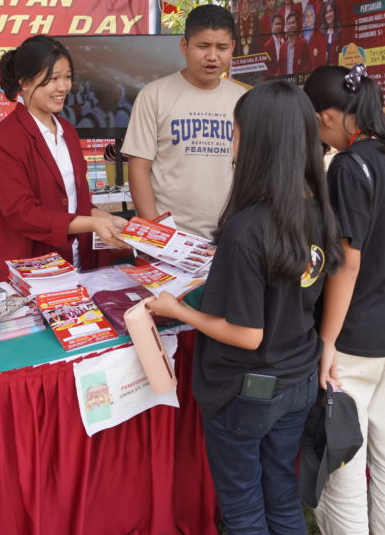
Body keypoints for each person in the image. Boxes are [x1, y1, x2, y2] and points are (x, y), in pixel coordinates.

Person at [146, 80, 342, 535]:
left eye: (235, 131)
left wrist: (179, 310)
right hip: (297, 378)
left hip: (249, 387)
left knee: (243, 506)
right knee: (281, 491)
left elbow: (247, 334)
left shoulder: (250, 227)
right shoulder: (319, 209)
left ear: (258, 141)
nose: (230, 141)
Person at [304, 65, 385, 535]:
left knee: (344, 455)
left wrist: (327, 340)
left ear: (331, 115)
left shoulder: (349, 166)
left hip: (355, 336)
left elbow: (347, 261)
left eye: (319, 123)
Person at [0, 35, 129, 283]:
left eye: (68, 77)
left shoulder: (67, 131)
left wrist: (108, 220)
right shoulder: (4, 138)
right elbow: (22, 213)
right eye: (53, 79)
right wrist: (91, 224)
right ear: (25, 83)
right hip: (28, 268)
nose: (63, 87)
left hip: (74, 261)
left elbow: (76, 202)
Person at [123, 4, 247, 239]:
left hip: (229, 237)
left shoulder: (242, 99)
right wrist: (156, 234)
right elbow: (139, 169)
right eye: (203, 46)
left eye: (221, 47)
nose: (212, 56)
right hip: (171, 238)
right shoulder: (155, 95)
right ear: (184, 46)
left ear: (232, 48)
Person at [310, 0, 341, 67]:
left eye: (330, 11)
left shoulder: (340, 32)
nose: (328, 15)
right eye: (326, 13)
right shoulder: (319, 34)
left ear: (335, 12)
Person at [262, 13, 286, 77]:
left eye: (280, 24)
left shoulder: (284, 42)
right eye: (276, 24)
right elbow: (264, 68)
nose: (278, 26)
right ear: (272, 25)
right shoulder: (267, 46)